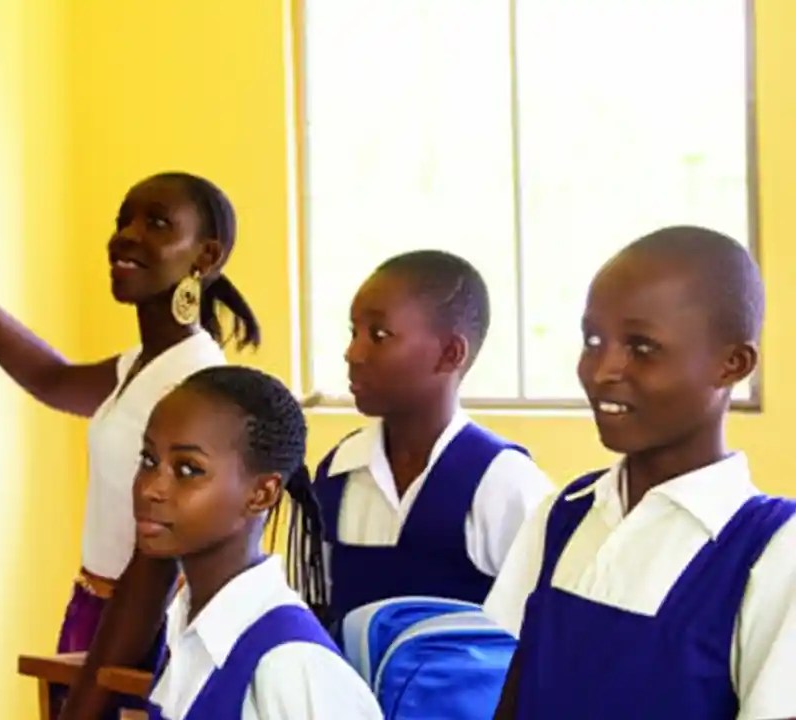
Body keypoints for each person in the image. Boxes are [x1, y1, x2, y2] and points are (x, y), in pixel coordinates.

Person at [0, 173, 260, 718]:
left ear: (206, 255)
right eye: (123, 219)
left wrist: (92, 690)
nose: (126, 235)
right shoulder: (142, 365)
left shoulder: (194, 383)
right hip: (97, 609)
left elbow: (159, 566)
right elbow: (50, 378)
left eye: (158, 224)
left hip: (141, 628)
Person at [487, 226, 796, 719]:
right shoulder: (563, 517)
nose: (602, 369)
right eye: (593, 339)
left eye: (642, 346)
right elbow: (515, 693)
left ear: (733, 365)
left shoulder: (773, 553)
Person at [314, 250, 553, 630]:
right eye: (352, 332)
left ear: (450, 354)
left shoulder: (504, 482)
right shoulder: (339, 472)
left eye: (378, 335)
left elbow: (543, 633)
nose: (353, 353)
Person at [138, 366, 381, 720]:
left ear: (261, 493)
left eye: (188, 469)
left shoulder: (289, 665)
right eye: (148, 460)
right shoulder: (186, 623)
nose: (150, 488)